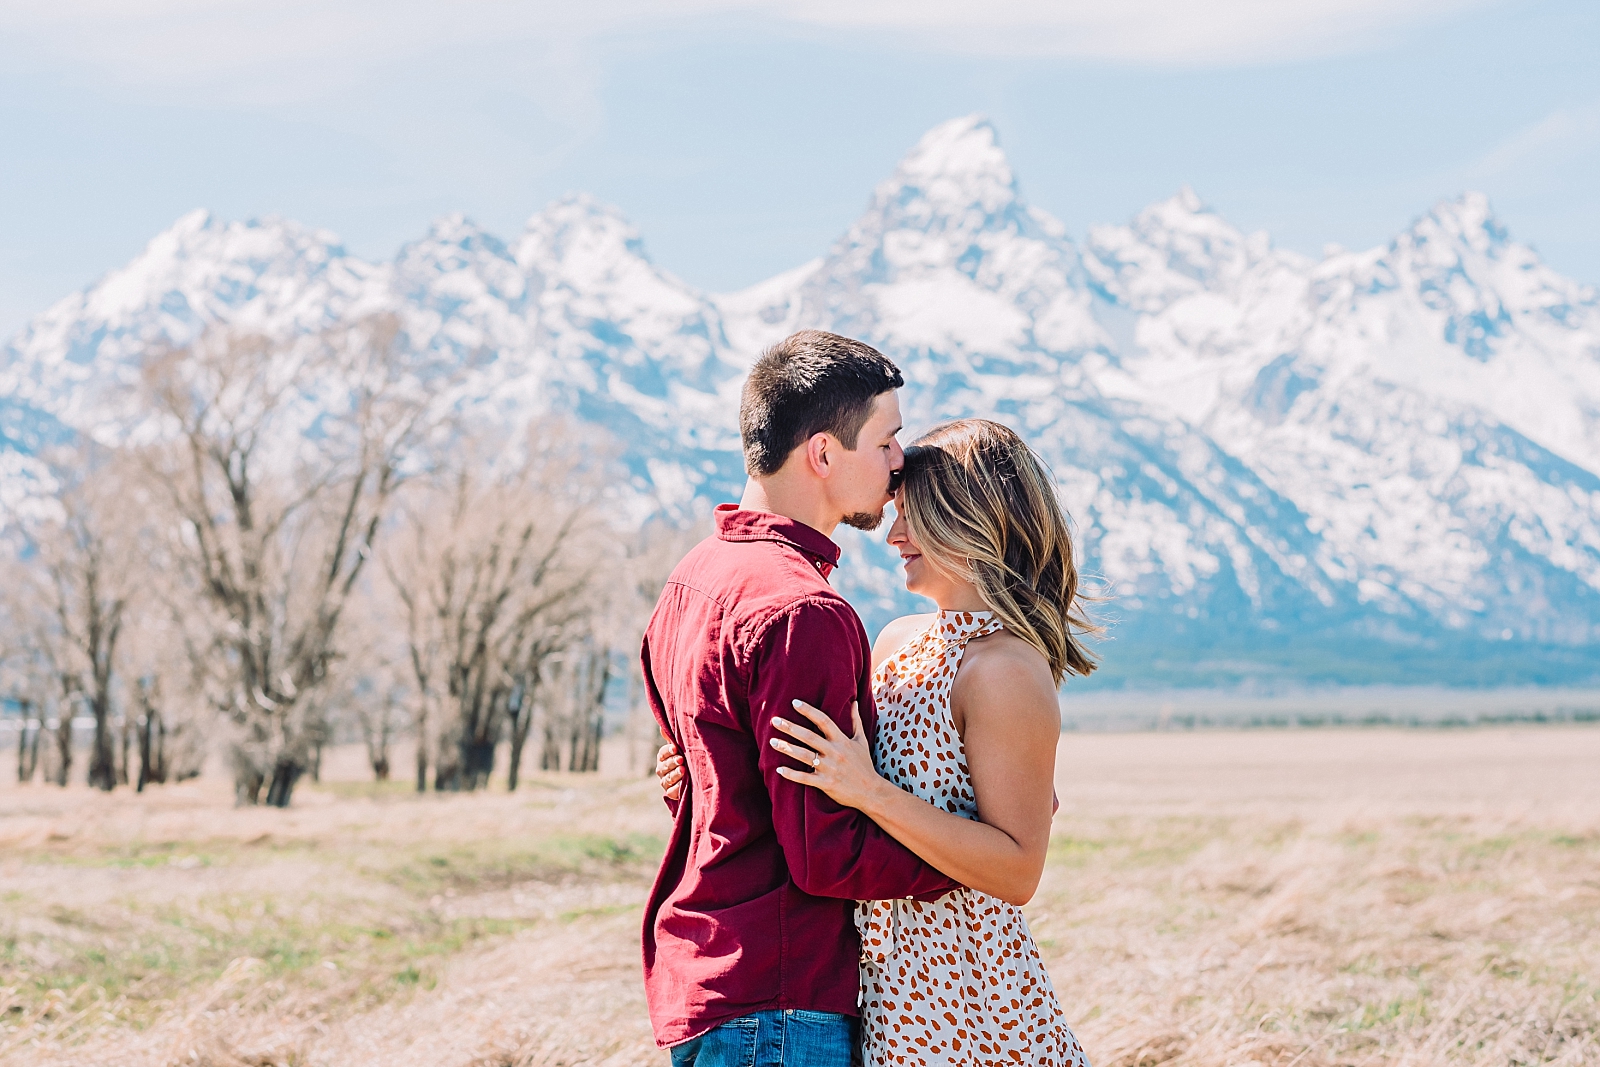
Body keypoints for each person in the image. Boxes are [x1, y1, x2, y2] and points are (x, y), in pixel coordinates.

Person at [659, 418, 1098, 1067]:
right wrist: (710, 775)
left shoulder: (1007, 671)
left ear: (972, 522)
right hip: (889, 995)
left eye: (915, 517)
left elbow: (1016, 867)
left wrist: (869, 790)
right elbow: (818, 790)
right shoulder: (894, 640)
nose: (893, 536)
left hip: (975, 1004)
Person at [640, 330, 961, 1067]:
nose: (898, 461)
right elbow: (825, 855)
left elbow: (712, 780)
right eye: (886, 441)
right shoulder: (803, 613)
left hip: (708, 978)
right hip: (779, 1001)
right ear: (822, 454)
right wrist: (972, 853)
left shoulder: (693, 577)